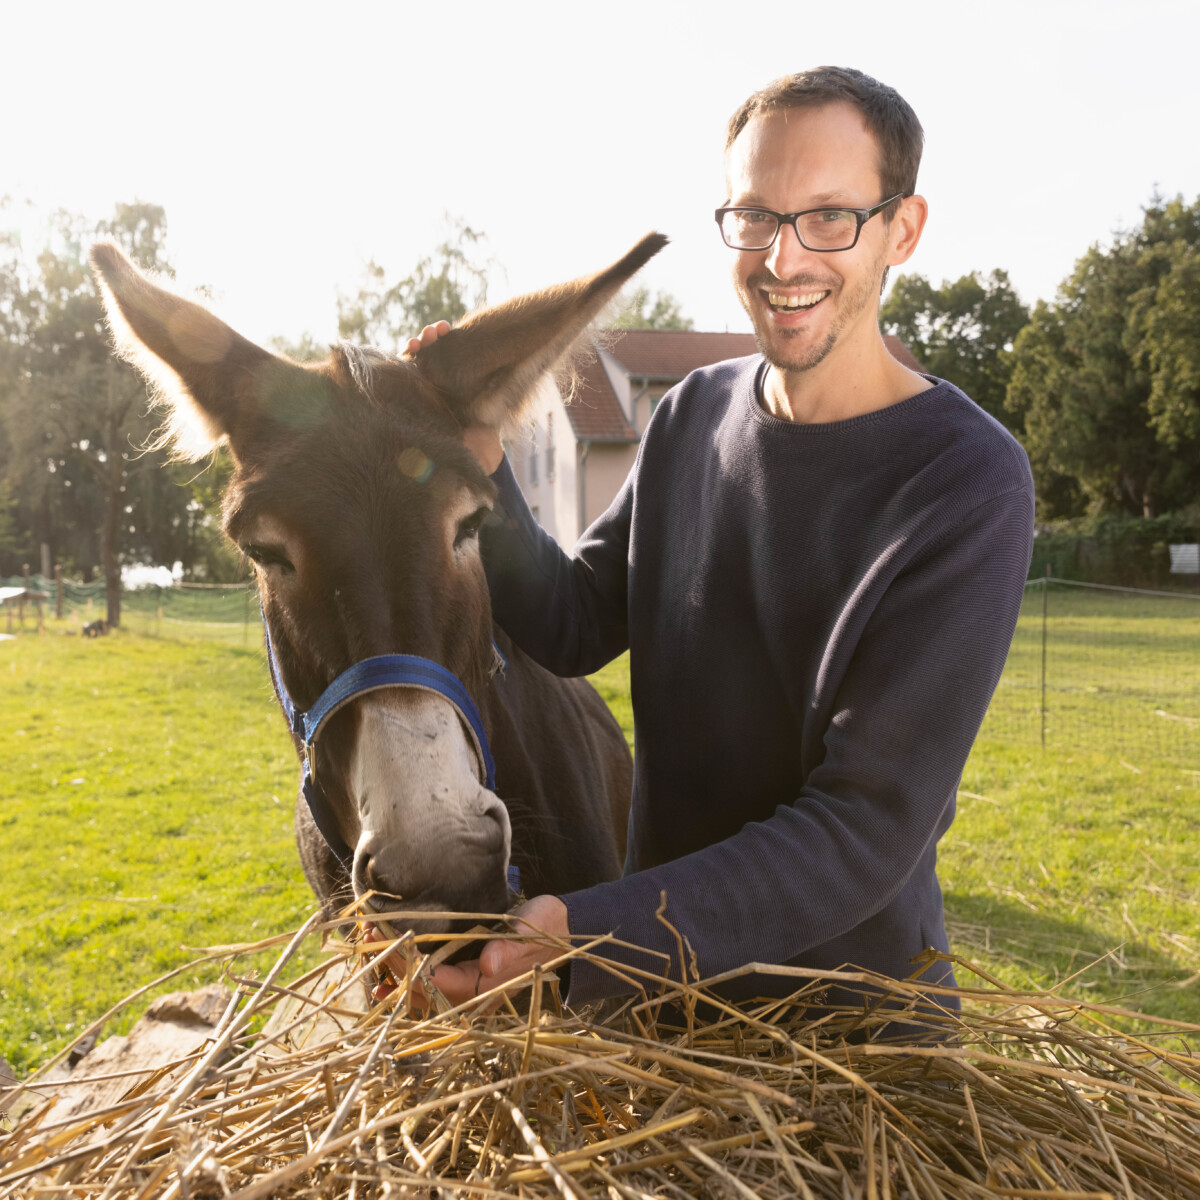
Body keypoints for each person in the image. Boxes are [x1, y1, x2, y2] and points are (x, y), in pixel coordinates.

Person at [390, 66, 1034, 1014]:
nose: (783, 259)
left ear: (903, 228)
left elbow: (863, 832)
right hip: (666, 1016)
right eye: (756, 217)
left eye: (829, 218)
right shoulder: (693, 414)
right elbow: (571, 625)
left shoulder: (965, 479)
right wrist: (484, 466)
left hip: (848, 1045)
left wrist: (591, 936)